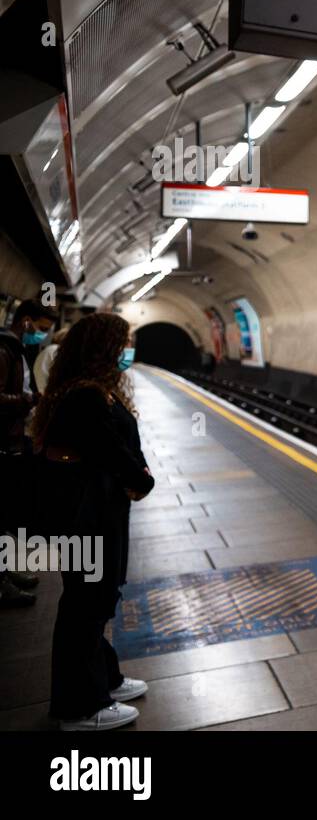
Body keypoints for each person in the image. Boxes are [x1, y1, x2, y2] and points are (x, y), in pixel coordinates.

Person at [30, 313, 152, 731]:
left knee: (93, 601)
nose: (127, 351)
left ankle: (105, 679)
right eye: (123, 343)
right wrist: (141, 479)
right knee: (85, 604)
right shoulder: (85, 396)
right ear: (103, 349)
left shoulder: (87, 390)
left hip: (96, 512)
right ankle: (79, 707)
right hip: (87, 518)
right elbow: (110, 450)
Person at [0, 300, 55, 607]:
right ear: (26, 321)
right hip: (3, 441)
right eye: (41, 328)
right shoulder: (4, 349)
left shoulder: (16, 348)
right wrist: (27, 399)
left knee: (5, 515)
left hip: (12, 440)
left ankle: (5, 573)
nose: (42, 336)